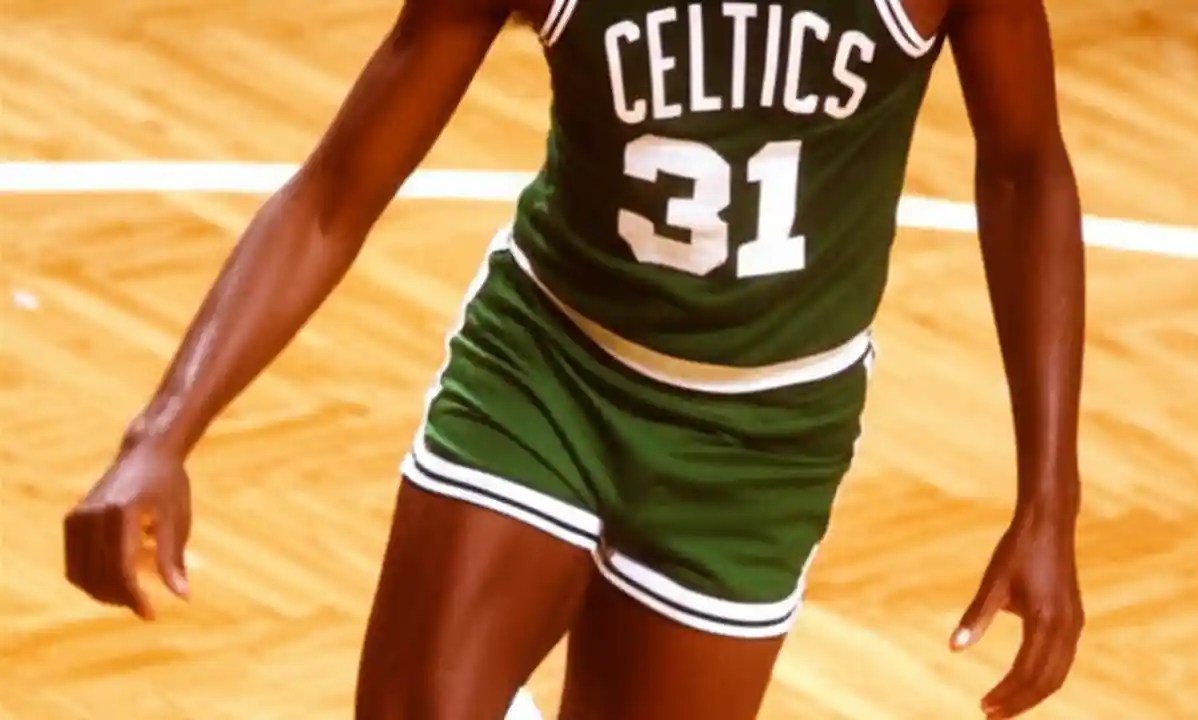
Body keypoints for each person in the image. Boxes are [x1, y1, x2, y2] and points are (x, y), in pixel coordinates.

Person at [63, 0, 1086, 717]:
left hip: (763, 437)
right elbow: (335, 192)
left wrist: (1047, 501)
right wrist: (162, 433)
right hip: (549, 369)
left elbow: (1025, 171)